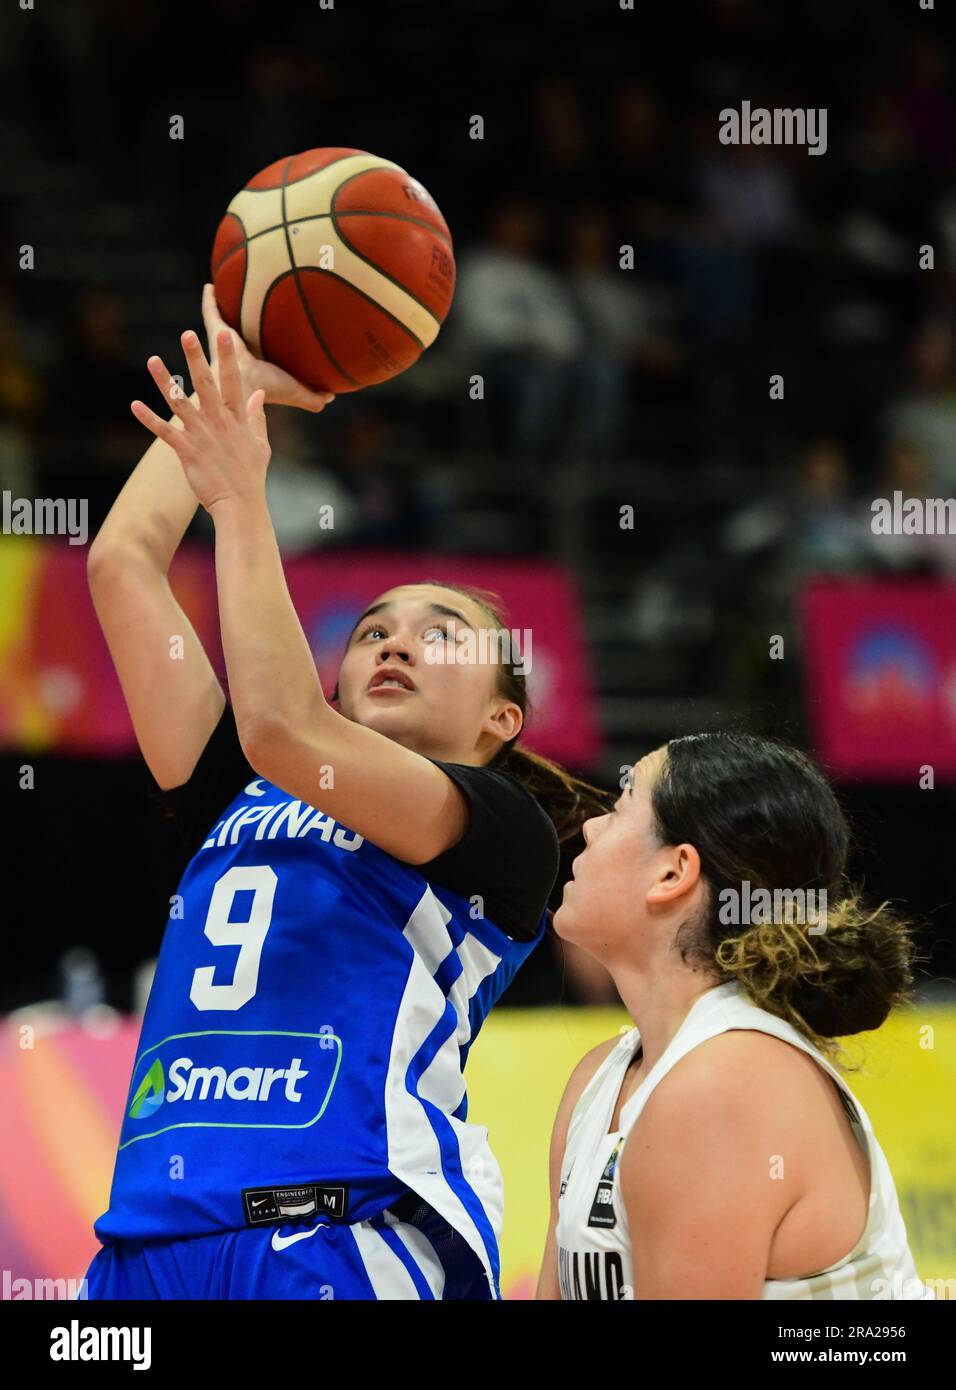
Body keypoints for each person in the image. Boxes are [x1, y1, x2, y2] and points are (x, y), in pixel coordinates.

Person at [84, 287, 610, 1300]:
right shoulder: (236, 781)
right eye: (373, 629)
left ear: (502, 722)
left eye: (441, 632)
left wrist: (241, 498)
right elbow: (122, 564)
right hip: (147, 1247)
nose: (397, 639)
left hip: (342, 1236)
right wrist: (232, 386)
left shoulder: (496, 831)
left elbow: (286, 728)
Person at [537, 734, 933, 1301]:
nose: (591, 828)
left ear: (673, 873)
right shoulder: (599, 1078)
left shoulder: (721, 1083)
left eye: (619, 807)